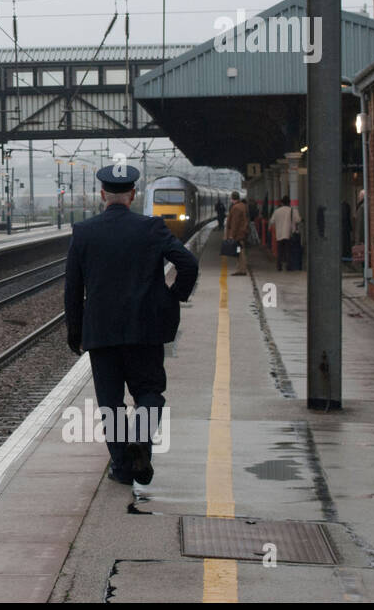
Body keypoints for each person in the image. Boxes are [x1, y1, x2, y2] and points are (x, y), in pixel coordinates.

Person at [64, 165, 200, 486]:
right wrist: (173, 295)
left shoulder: (84, 232)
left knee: (111, 404)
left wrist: (76, 332)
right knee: (149, 392)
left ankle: (124, 469)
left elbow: (72, 289)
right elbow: (188, 263)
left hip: (102, 335)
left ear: (102, 195)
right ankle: (140, 439)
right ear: (133, 195)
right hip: (145, 331)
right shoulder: (151, 228)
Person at [269, 196, 300, 271]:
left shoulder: (277, 211)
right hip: (289, 234)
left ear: (282, 202)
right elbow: (298, 220)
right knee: (288, 251)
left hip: (279, 234)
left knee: (280, 251)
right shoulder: (293, 211)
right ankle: (288, 266)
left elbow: (272, 221)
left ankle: (279, 266)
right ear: (289, 202)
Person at [225, 191, 249, 276]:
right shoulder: (242, 206)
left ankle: (241, 269)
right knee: (240, 251)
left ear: (232, 198)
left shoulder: (236, 208)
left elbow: (235, 223)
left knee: (240, 252)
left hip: (238, 235)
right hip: (241, 233)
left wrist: (231, 235)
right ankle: (240, 268)